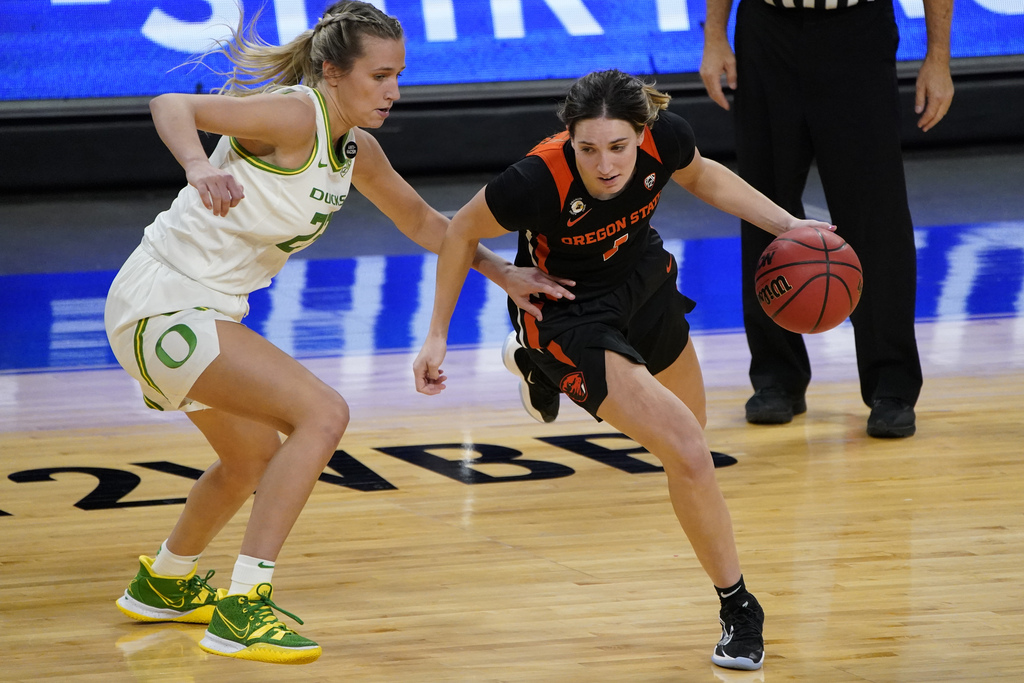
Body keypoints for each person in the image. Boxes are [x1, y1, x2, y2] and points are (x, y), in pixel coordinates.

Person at [105, 1, 569, 665]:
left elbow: (422, 221)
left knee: (250, 458)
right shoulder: (295, 114)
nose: (393, 91)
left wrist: (503, 273)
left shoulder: (357, 148)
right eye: (380, 76)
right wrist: (197, 166)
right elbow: (170, 103)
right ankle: (243, 607)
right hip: (166, 304)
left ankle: (165, 582)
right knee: (323, 412)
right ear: (333, 71)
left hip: (189, 308)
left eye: (398, 75)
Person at [413, 69, 833, 671]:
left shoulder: (667, 138)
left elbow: (704, 175)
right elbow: (460, 229)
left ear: (641, 133)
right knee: (687, 447)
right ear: (569, 139)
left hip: (643, 282)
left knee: (693, 439)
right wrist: (436, 334)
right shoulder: (535, 179)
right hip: (566, 308)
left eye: (618, 148)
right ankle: (739, 607)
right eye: (588, 149)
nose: (605, 166)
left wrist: (789, 226)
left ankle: (538, 370)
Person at [700, 0, 954, 437]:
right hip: (766, 29)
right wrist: (715, 36)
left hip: (857, 29)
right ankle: (776, 377)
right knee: (763, 207)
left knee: (876, 216)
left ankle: (891, 385)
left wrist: (938, 58)